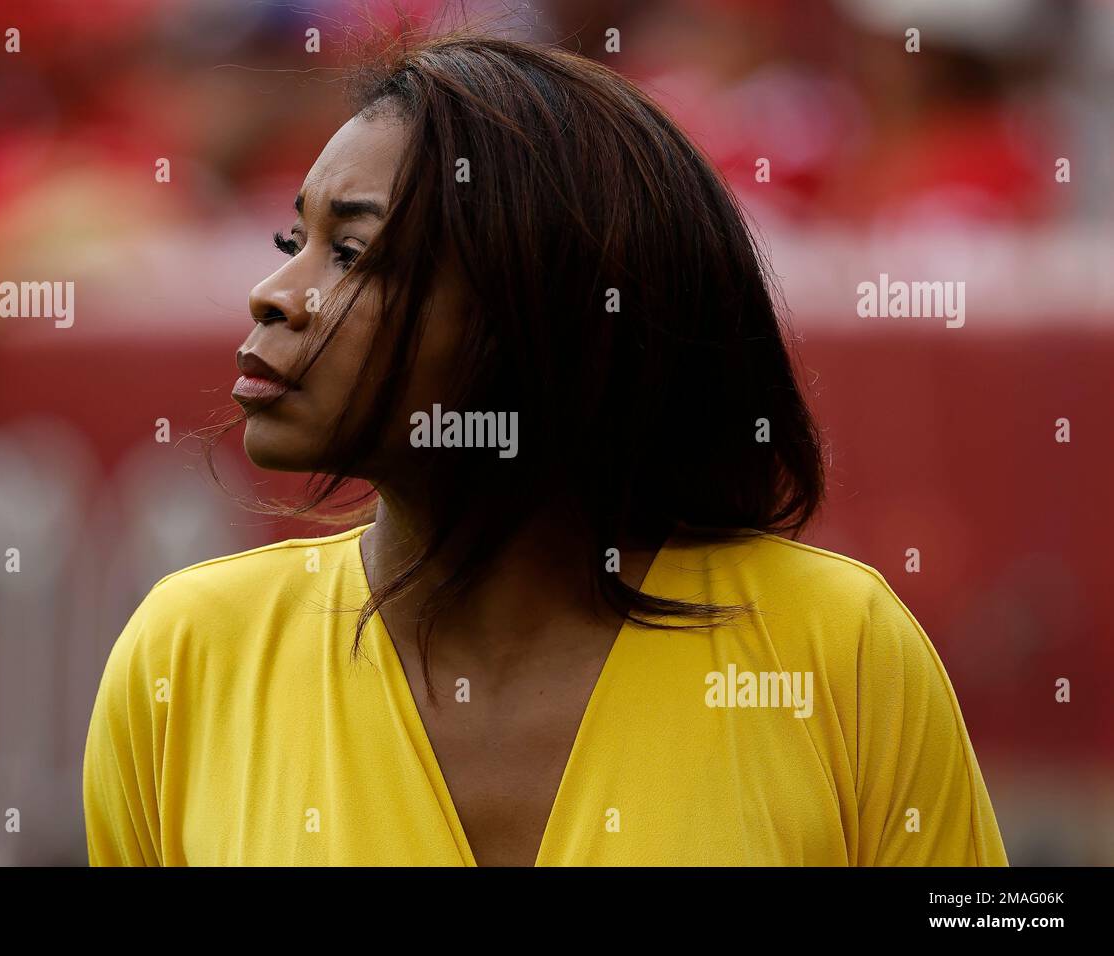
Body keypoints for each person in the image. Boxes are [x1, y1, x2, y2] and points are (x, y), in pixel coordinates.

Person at [83, 32, 1008, 867]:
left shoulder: (837, 646)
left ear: (545, 311)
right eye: (295, 240)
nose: (274, 292)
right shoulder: (188, 654)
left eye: (353, 253)